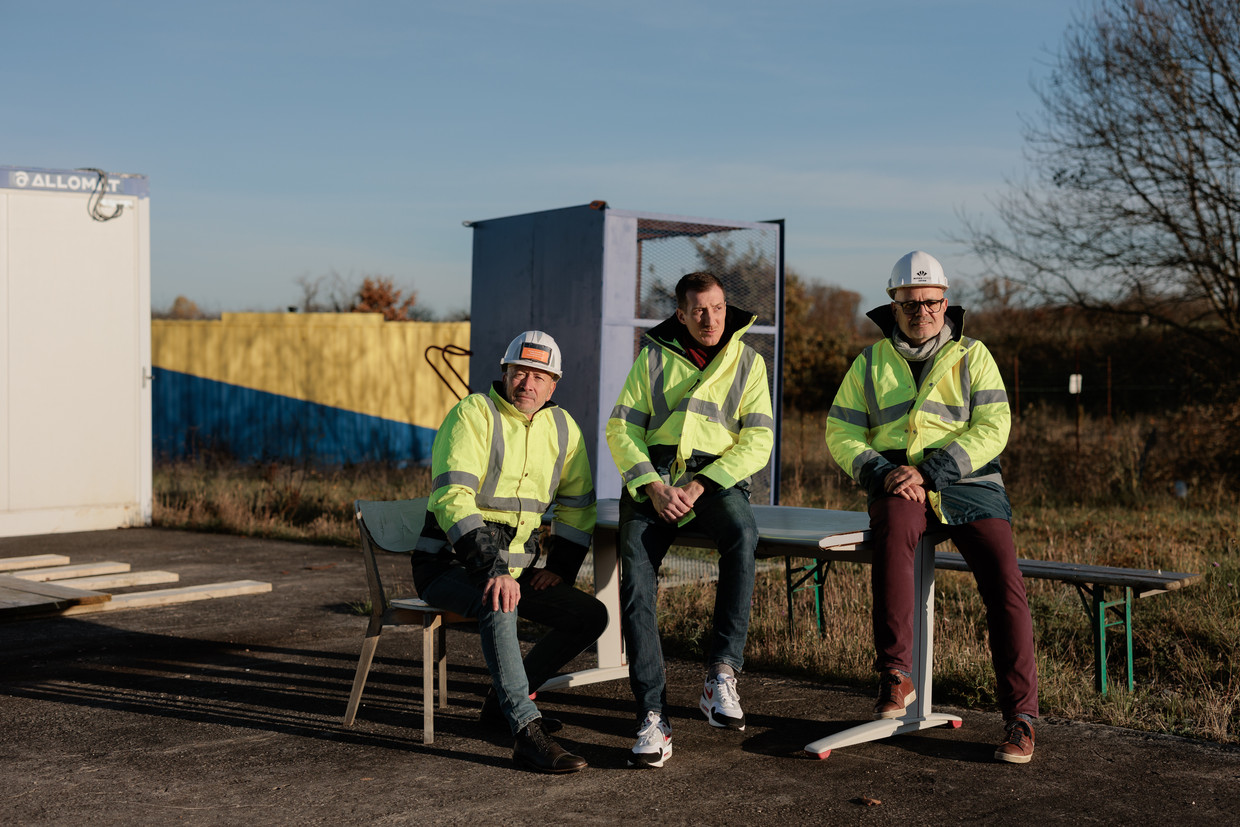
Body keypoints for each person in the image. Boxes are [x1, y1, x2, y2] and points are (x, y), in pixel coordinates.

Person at [824, 250, 1039, 764]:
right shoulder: (869, 363)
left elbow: (994, 427)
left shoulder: (974, 356)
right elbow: (841, 431)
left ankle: (1021, 717)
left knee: (1004, 583)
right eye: (910, 302)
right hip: (897, 484)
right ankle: (896, 675)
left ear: (946, 303)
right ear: (893, 304)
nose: (921, 311)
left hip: (969, 484)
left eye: (931, 302)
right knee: (893, 538)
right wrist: (881, 472)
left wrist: (933, 472)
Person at [410, 330, 607, 774]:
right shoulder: (472, 414)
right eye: (520, 371)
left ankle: (500, 707)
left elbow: (578, 506)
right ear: (505, 372)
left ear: (554, 383)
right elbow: (452, 498)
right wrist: (491, 568)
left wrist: (559, 568)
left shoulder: (564, 429)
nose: (528, 383)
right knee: (500, 601)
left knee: (590, 616)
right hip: (449, 567)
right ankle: (524, 729)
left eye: (540, 375)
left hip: (515, 572)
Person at [606, 271, 774, 768]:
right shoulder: (653, 357)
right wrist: (652, 486)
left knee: (743, 534)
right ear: (680, 313)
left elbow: (758, 440)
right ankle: (652, 716)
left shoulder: (749, 362)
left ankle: (721, 673)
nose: (710, 318)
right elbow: (621, 427)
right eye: (699, 309)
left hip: (714, 479)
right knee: (635, 576)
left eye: (718, 307)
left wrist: (703, 484)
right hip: (654, 480)